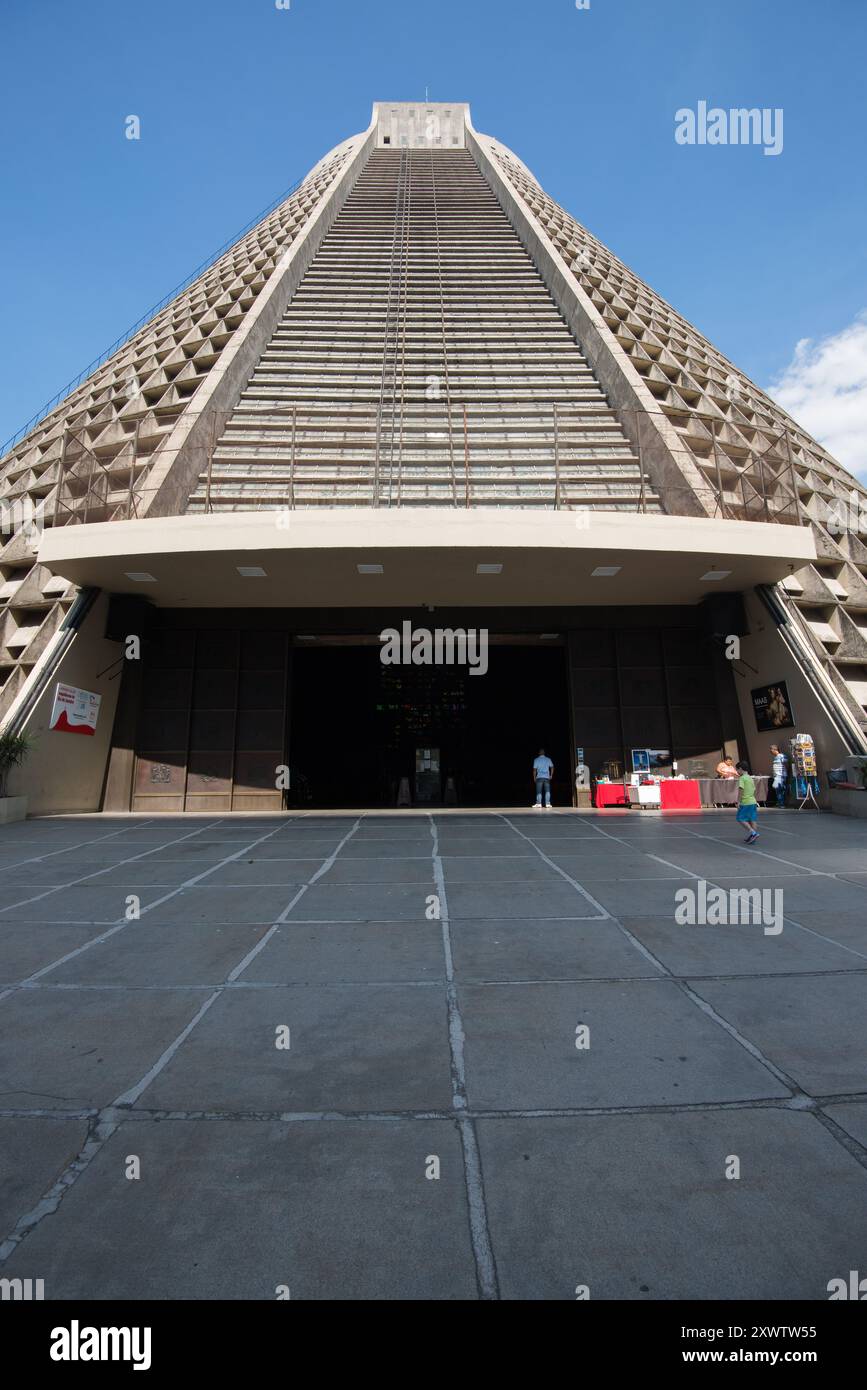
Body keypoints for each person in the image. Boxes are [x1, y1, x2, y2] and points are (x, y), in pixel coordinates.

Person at [735, 760, 759, 843]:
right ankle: (753, 837)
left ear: (740, 769)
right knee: (752, 819)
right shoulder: (749, 777)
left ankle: (753, 833)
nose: (737, 772)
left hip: (745, 802)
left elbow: (741, 790)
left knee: (740, 818)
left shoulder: (742, 778)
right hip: (753, 801)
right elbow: (754, 789)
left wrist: (738, 801)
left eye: (737, 770)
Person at [770, 744, 788, 809]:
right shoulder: (775, 757)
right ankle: (780, 803)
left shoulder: (781, 756)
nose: (770, 751)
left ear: (775, 749)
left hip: (780, 776)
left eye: (771, 750)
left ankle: (782, 804)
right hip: (777, 776)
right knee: (778, 790)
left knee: (779, 790)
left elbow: (786, 763)